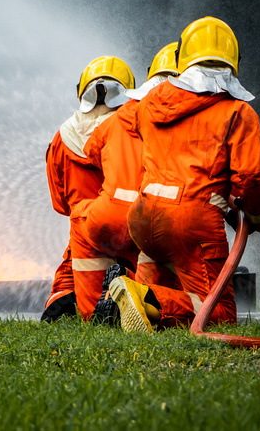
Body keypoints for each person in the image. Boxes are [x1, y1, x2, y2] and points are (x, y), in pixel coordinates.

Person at [108, 17, 260, 332]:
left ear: (182, 59)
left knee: (156, 285)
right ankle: (147, 297)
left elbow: (129, 129)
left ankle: (135, 302)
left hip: (143, 219)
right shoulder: (238, 112)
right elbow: (254, 178)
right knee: (220, 311)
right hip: (191, 225)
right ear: (234, 61)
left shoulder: (149, 104)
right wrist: (258, 218)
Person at [74, 43, 182, 322]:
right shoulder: (196, 115)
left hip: (110, 215)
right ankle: (144, 299)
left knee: (79, 220)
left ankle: (92, 312)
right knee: (159, 258)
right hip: (160, 215)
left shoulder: (123, 116)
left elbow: (91, 154)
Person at [40, 56, 136, 321]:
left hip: (84, 232)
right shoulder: (132, 129)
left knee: (70, 268)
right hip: (132, 231)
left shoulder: (62, 137)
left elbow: (60, 204)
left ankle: (66, 303)